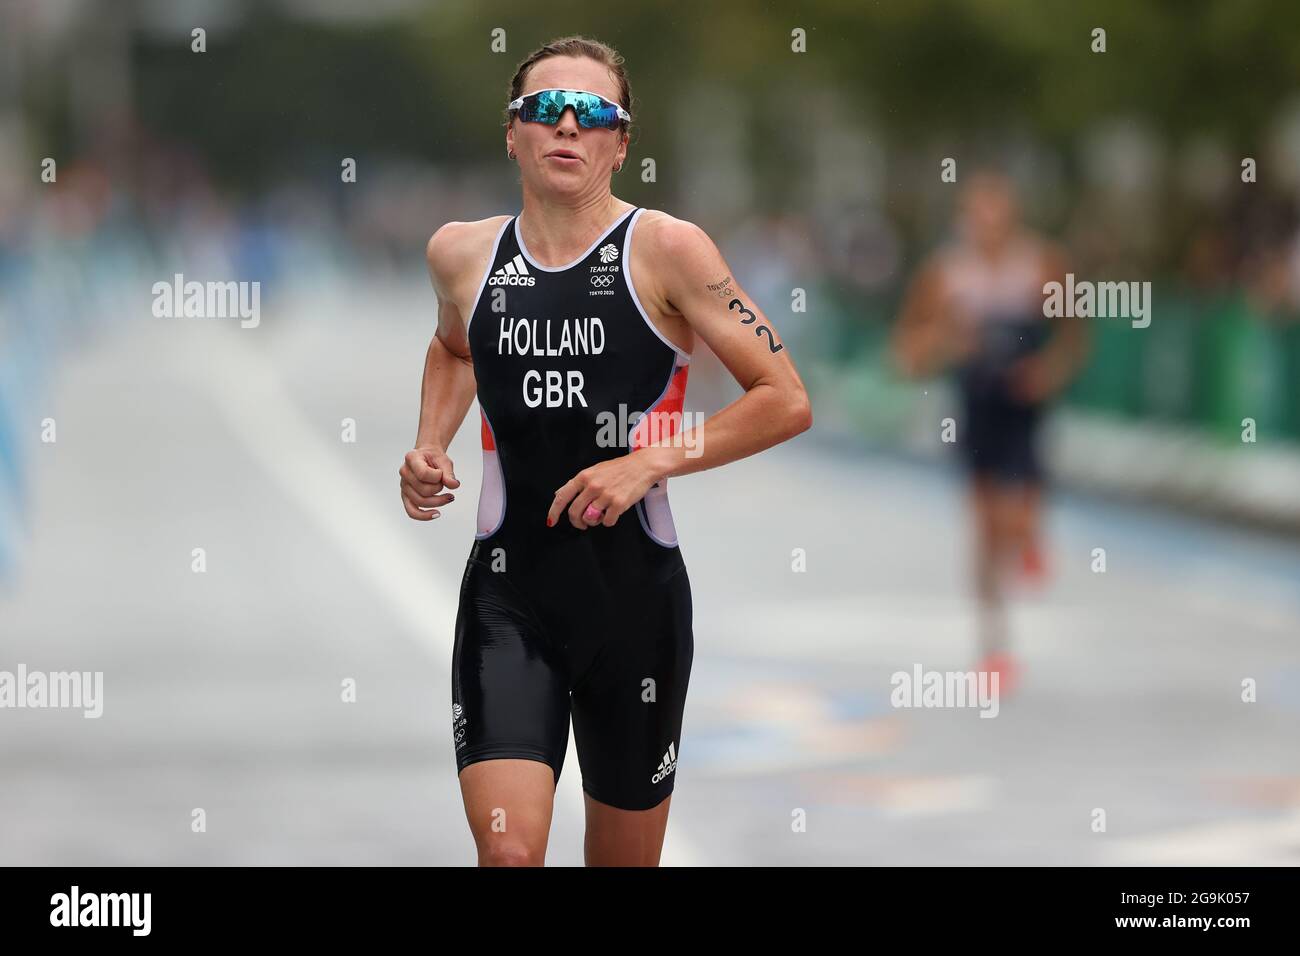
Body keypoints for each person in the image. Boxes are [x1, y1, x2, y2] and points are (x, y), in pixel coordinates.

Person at [399, 36, 811, 866]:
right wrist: (428, 443)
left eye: (592, 114)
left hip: (636, 606)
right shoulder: (462, 254)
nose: (566, 127)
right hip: (508, 601)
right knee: (509, 855)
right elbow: (453, 349)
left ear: (622, 143)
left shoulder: (668, 250)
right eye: (544, 108)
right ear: (511, 132)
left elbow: (786, 400)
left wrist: (650, 459)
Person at [891, 171, 1087, 694]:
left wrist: (1048, 370)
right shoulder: (946, 273)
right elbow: (906, 352)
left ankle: (1027, 535)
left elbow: (1075, 334)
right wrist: (947, 341)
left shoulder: (1041, 264)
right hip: (974, 405)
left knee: (1016, 511)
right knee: (983, 526)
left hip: (1023, 405)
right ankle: (994, 645)